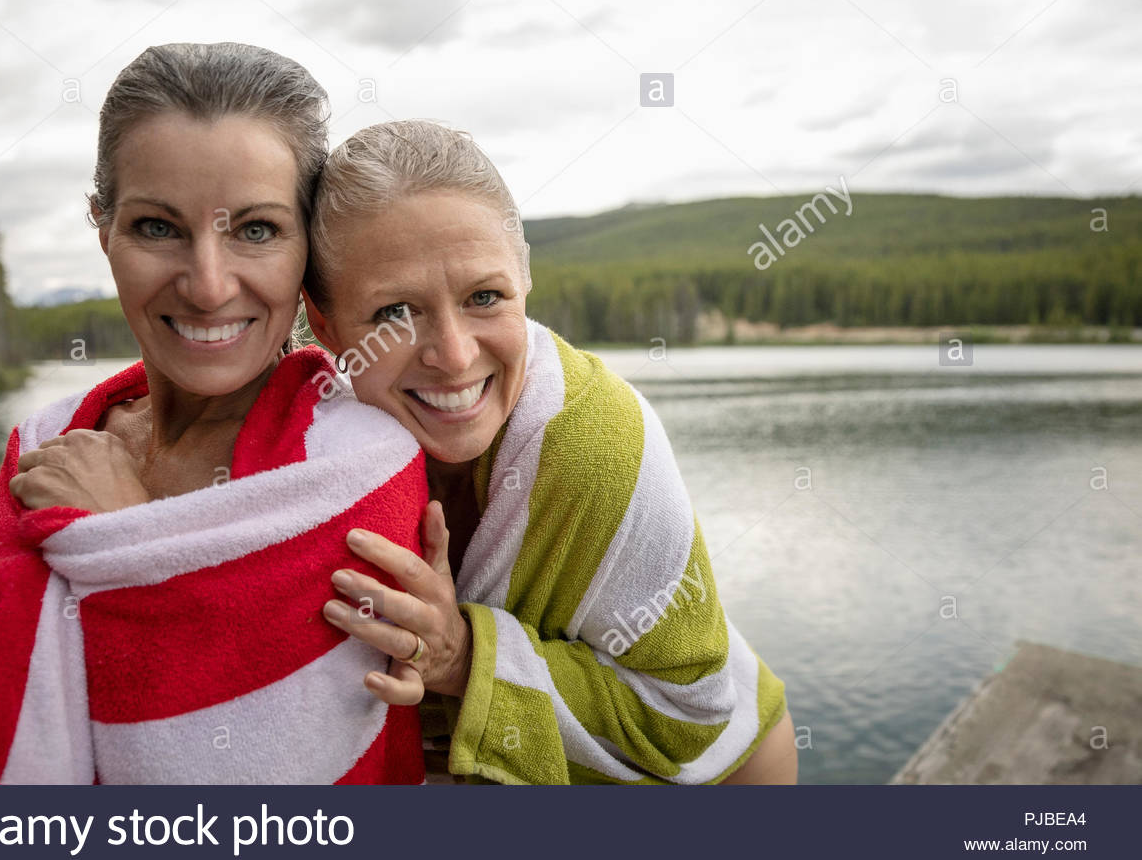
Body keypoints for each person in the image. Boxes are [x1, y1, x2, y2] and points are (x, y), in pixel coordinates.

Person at [0, 44, 427, 785]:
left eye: (256, 230)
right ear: (101, 225)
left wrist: (120, 535)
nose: (207, 286)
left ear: (310, 248)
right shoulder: (50, 439)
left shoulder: (359, 466)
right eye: (157, 228)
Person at [301, 120, 797, 784]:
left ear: (525, 277)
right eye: (394, 312)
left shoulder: (596, 440)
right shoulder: (298, 445)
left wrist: (463, 659)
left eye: (486, 297)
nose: (453, 355)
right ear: (323, 320)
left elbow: (688, 713)